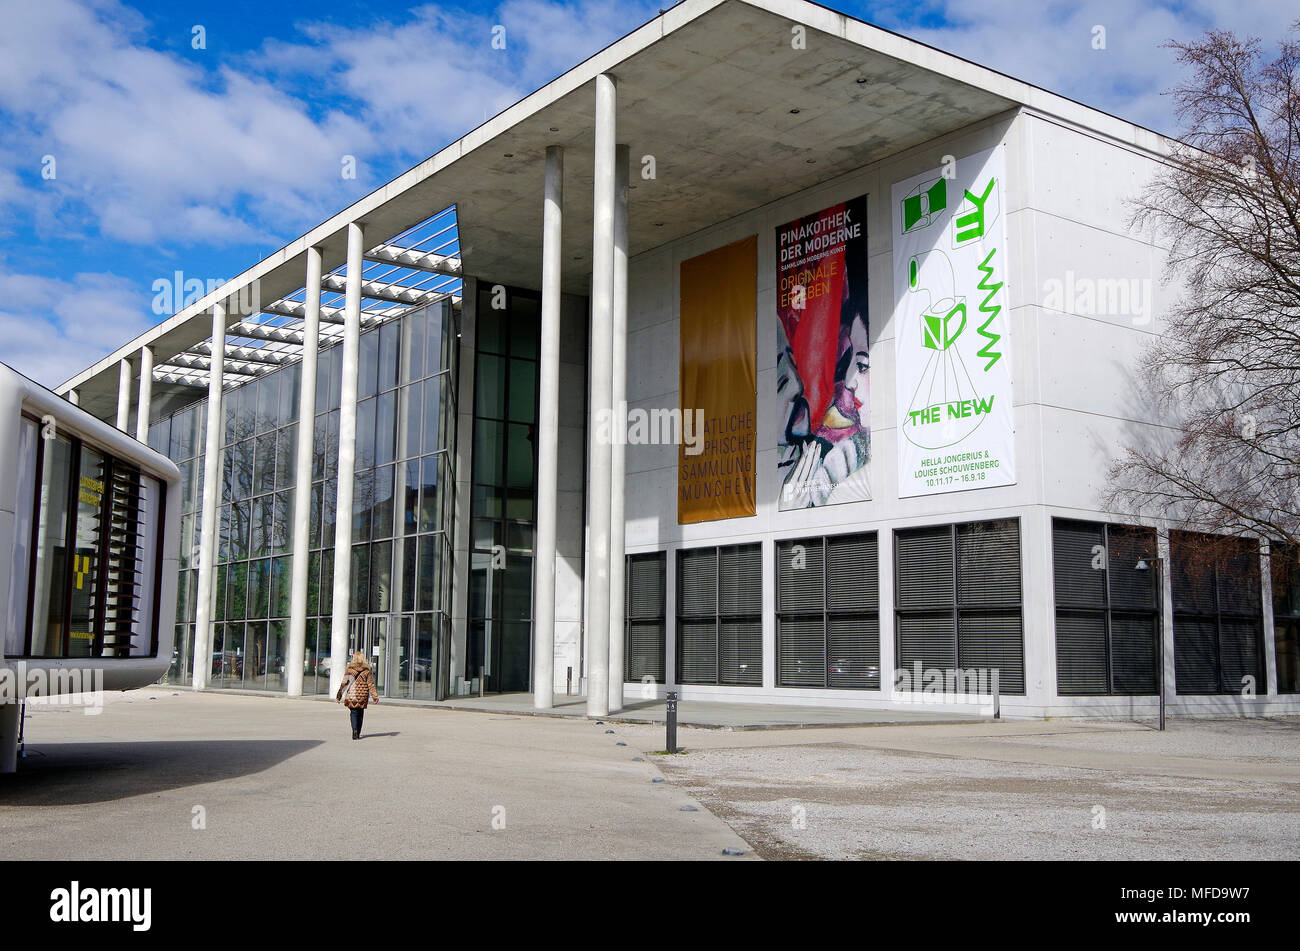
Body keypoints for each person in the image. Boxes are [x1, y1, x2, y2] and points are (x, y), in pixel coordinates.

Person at [336, 651, 379, 739]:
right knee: (360, 713)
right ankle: (358, 732)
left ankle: (354, 730)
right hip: (363, 695)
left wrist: (339, 695)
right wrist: (375, 696)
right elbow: (370, 684)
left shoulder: (350, 670)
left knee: (353, 713)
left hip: (352, 695)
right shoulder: (366, 671)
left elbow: (344, 684)